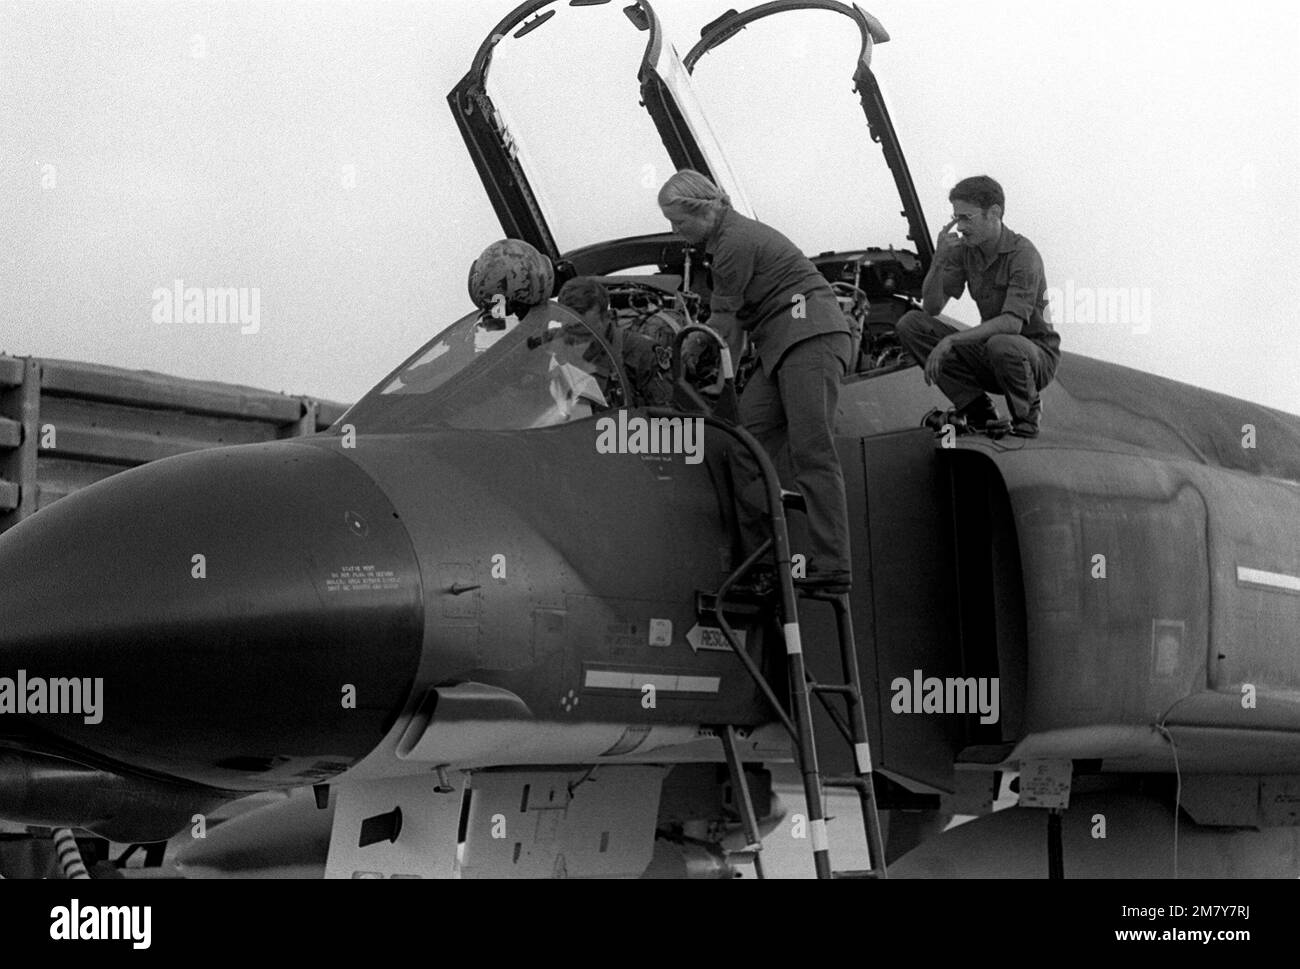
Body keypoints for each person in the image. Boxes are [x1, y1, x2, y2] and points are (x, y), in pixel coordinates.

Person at [658, 170, 854, 595]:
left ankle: (832, 561)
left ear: (704, 211)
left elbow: (725, 325)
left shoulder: (733, 244)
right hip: (778, 346)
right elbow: (736, 325)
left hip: (811, 336)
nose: (676, 232)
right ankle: (765, 561)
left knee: (811, 449)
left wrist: (692, 360)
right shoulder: (724, 242)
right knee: (746, 445)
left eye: (679, 221)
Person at [895, 176, 1060, 438]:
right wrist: (938, 261)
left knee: (1002, 343)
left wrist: (951, 341)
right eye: (956, 218)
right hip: (991, 355)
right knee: (912, 325)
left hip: (1032, 358)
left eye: (966, 218)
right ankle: (977, 409)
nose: (959, 227)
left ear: (994, 213)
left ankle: (1027, 416)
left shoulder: (1023, 254)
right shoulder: (965, 251)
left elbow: (1011, 323)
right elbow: (931, 308)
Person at [557, 277, 675, 408]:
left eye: (585, 332)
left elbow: (668, 416)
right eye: (570, 330)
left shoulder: (641, 352)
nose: (577, 341)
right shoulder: (553, 349)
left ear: (606, 318)